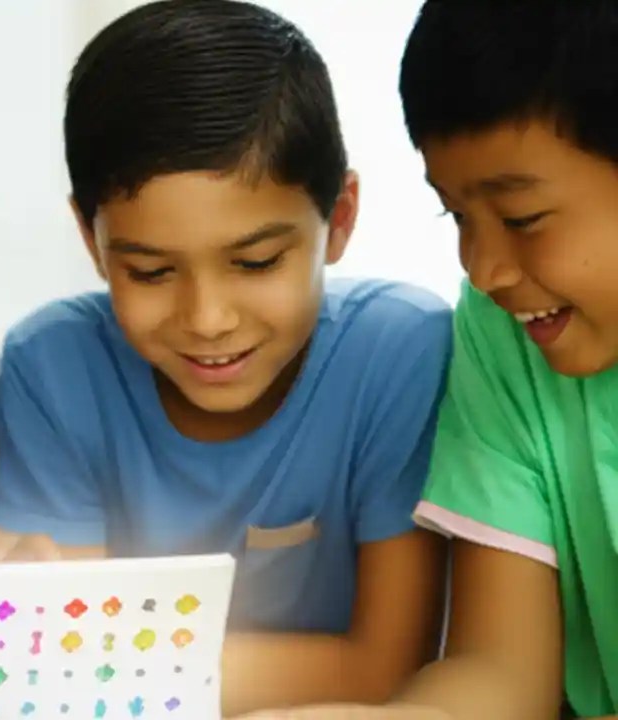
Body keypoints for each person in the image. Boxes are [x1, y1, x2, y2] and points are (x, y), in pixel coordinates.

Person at [0, 1, 452, 714]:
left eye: (256, 262)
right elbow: (61, 679)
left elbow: (384, 672)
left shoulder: (399, 351)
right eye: (152, 273)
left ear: (340, 217)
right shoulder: (53, 369)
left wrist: (129, 652)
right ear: (90, 236)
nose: (209, 320)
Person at [245, 2, 618, 718]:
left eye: (521, 219)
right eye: (457, 216)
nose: (483, 268)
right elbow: (500, 673)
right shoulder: (505, 330)